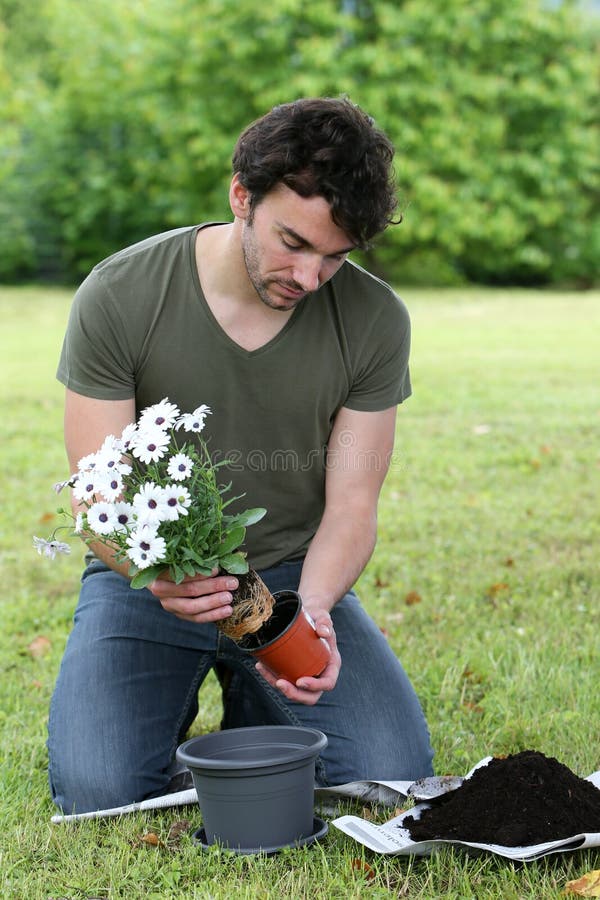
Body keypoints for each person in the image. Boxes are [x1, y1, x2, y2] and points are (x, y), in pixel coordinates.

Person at [48, 96, 434, 814]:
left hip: (291, 580)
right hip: (153, 577)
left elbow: (353, 505)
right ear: (241, 197)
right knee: (98, 792)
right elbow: (95, 495)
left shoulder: (376, 320)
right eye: (294, 241)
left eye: (335, 255)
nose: (312, 276)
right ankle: (227, 700)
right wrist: (155, 574)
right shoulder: (121, 293)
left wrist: (310, 611)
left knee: (392, 773)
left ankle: (255, 699)